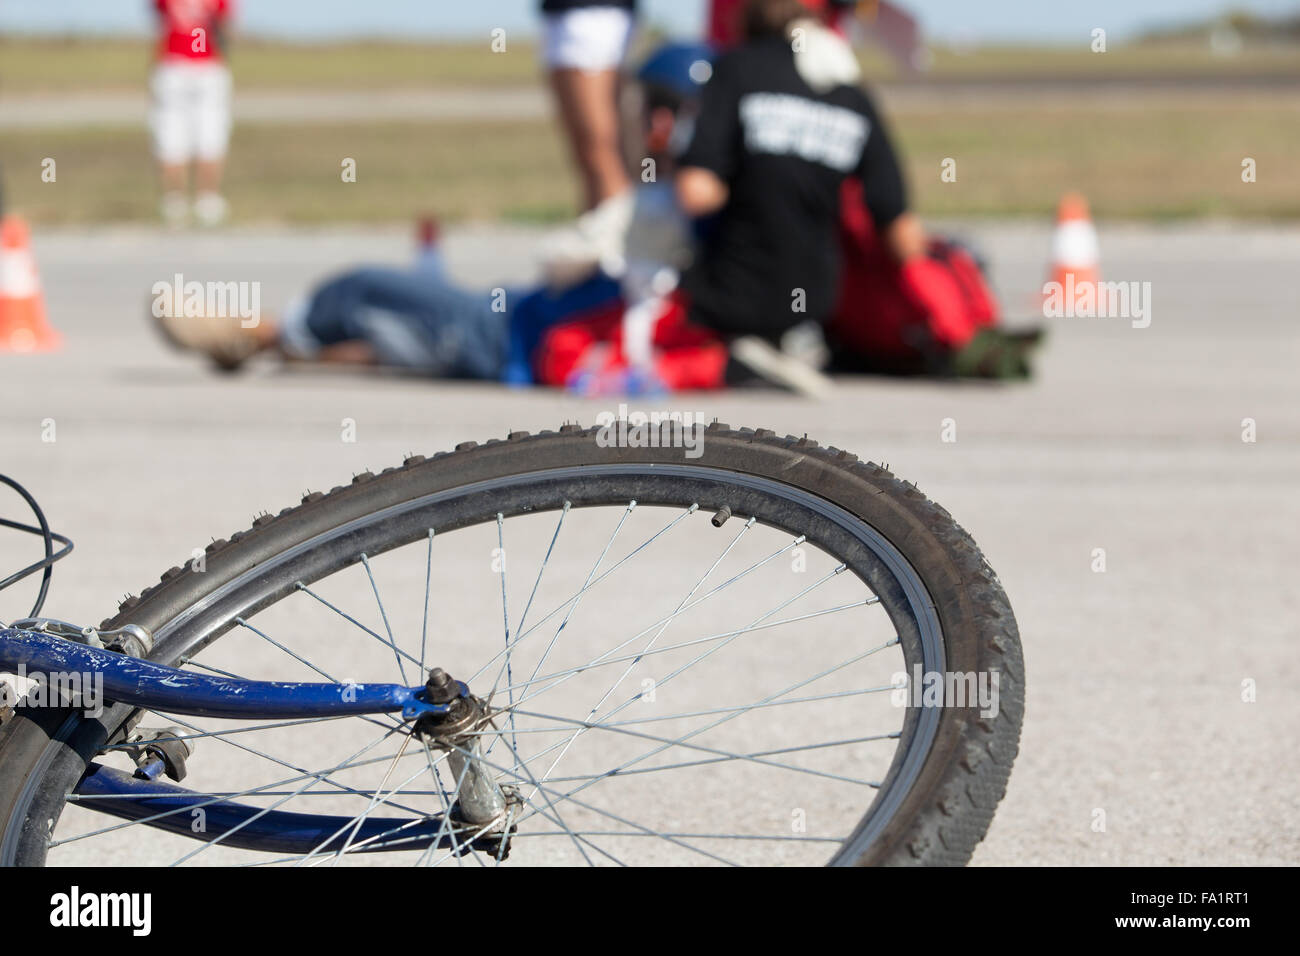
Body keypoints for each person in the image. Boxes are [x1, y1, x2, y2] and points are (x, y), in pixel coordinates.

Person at [149, 0, 235, 227]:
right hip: (204, 64)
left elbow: (159, 20)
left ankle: (174, 201)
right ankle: (206, 200)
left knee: (173, 132)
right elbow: (225, 26)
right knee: (208, 131)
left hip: (176, 64)